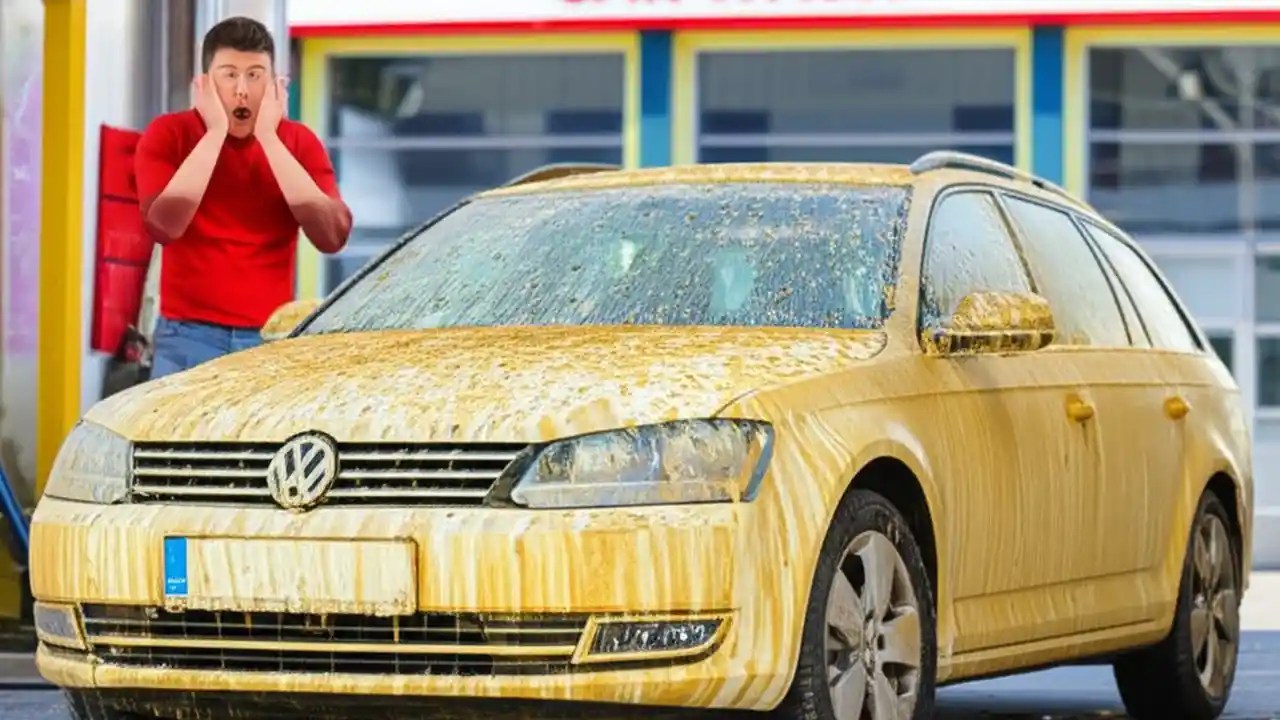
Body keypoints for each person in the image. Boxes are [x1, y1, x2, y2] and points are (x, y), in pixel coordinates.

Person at [134, 16, 351, 380]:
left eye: (255, 75)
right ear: (202, 85)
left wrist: (269, 138)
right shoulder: (168, 134)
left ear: (274, 84)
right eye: (229, 74)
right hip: (186, 337)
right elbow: (164, 225)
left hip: (269, 340)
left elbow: (332, 236)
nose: (242, 90)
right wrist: (215, 133)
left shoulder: (299, 143)